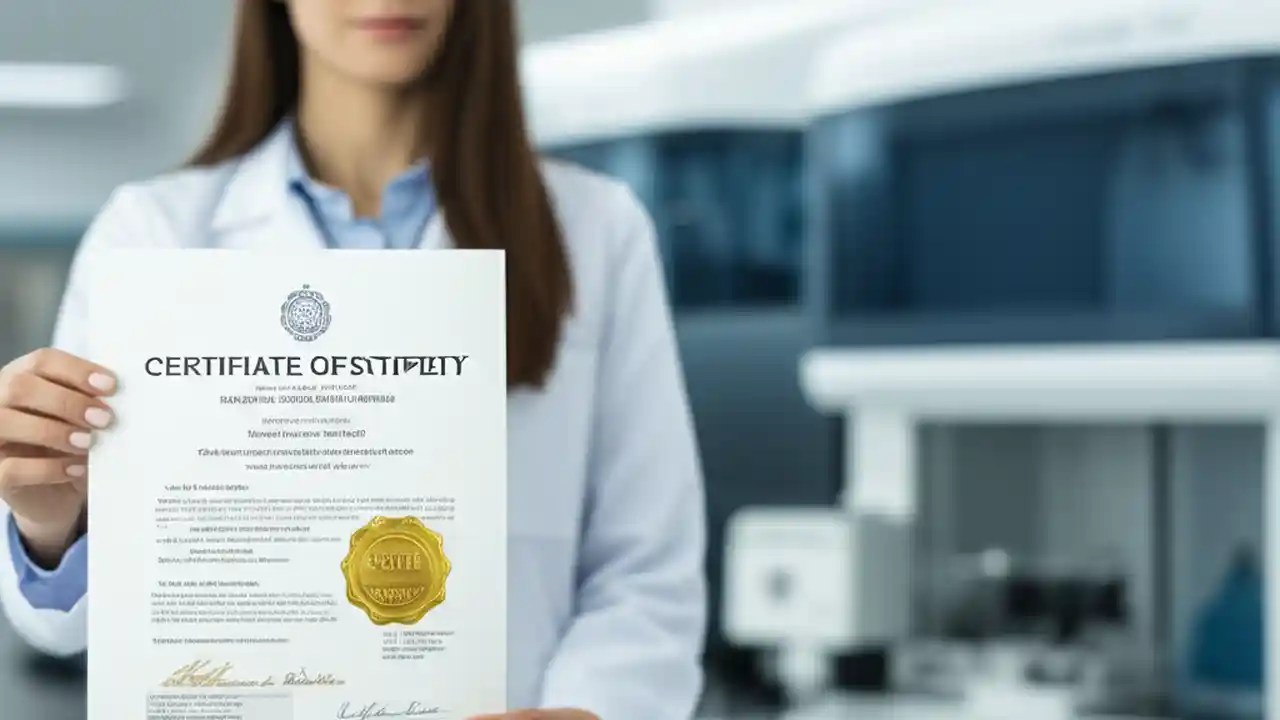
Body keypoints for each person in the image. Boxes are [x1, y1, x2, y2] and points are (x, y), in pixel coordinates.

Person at [0, 1, 708, 718]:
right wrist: (52, 523)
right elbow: (69, 625)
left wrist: (593, 711)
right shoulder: (151, 233)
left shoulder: (596, 230)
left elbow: (646, 567)